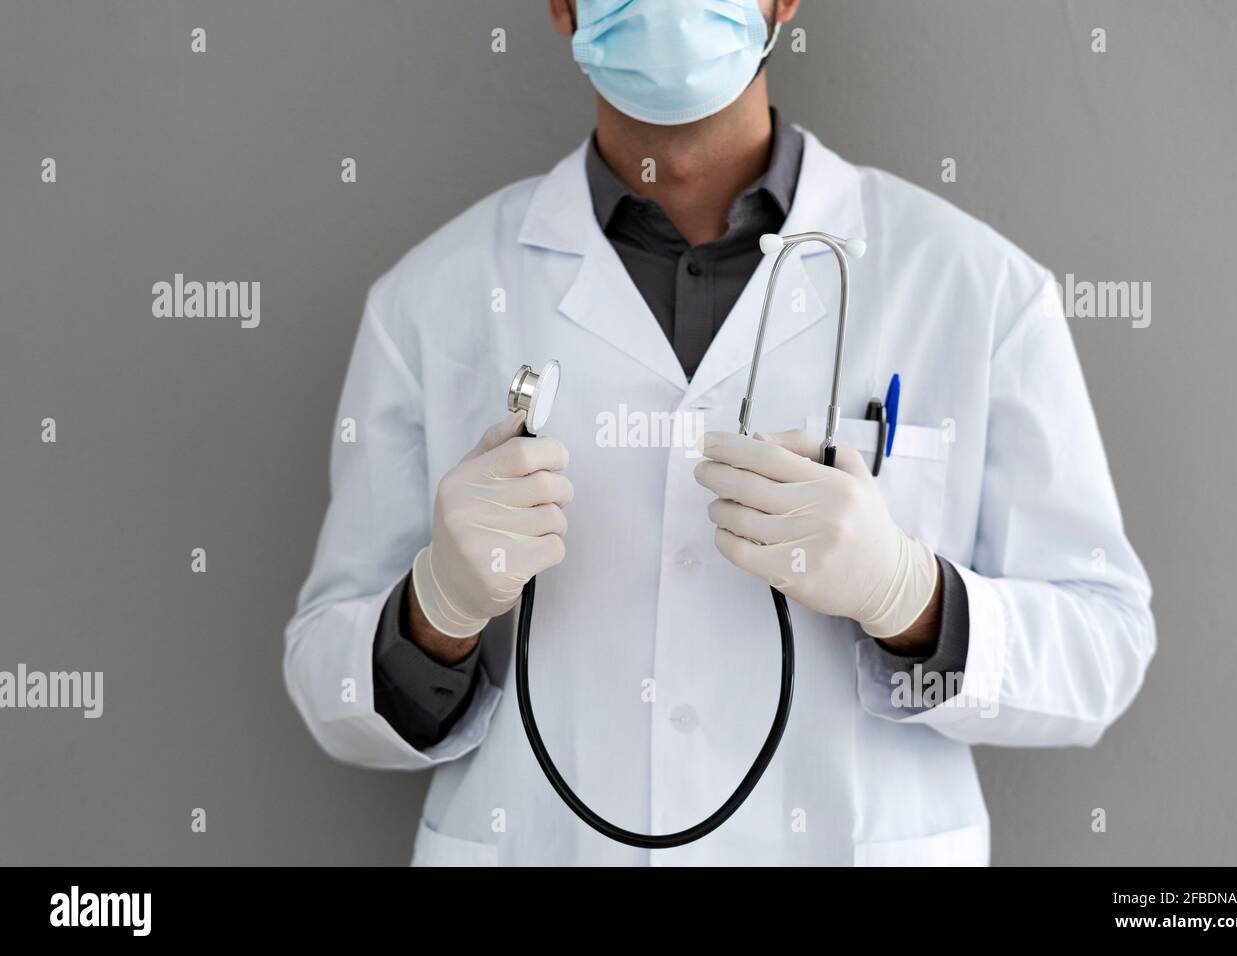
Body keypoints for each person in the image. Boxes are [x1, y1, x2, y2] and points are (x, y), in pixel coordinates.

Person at [284, 0, 1155, 866]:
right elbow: (329, 682)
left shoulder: (976, 286)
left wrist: (910, 597)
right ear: (562, 6)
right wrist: (435, 611)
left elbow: (1104, 650)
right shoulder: (429, 300)